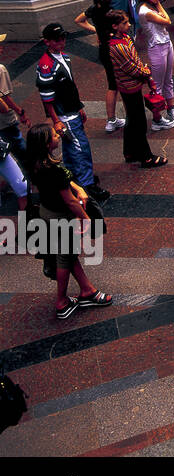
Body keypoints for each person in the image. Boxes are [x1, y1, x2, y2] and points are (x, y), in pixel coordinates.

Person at [26, 123, 111, 319]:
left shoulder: (36, 163)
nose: (58, 135)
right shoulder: (54, 171)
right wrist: (86, 219)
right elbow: (71, 202)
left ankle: (87, 290)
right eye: (55, 135)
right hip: (61, 218)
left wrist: (76, 186)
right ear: (48, 144)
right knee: (64, 258)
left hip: (47, 212)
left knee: (68, 256)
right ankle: (61, 302)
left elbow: (64, 182)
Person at [35, 24, 96, 193]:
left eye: (63, 38)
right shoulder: (46, 66)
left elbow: (70, 86)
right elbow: (47, 97)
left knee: (71, 148)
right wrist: (56, 120)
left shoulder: (64, 57)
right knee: (80, 148)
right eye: (57, 40)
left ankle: (75, 178)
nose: (62, 42)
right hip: (65, 116)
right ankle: (87, 185)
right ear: (47, 42)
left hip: (72, 111)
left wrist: (79, 107)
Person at [105, 10, 167, 167]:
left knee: (132, 119)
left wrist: (145, 74)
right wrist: (147, 73)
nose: (129, 25)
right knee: (138, 122)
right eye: (124, 23)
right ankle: (146, 157)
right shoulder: (117, 46)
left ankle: (130, 151)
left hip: (134, 85)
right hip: (129, 87)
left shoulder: (125, 38)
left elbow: (136, 60)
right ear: (115, 26)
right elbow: (131, 68)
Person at [75, 0, 124, 134]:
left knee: (112, 85)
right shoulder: (111, 13)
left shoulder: (93, 9)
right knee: (123, 82)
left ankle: (111, 120)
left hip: (103, 49)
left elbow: (79, 20)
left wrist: (96, 29)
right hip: (114, 49)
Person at [137, 0, 174, 127]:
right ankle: (157, 119)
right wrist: (158, 5)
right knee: (157, 85)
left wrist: (157, 3)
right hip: (156, 47)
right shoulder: (145, 11)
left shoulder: (151, 6)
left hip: (167, 44)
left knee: (168, 79)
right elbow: (167, 20)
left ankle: (171, 108)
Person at [0, 33, 30, 167]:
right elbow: (5, 97)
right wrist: (20, 112)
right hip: (4, 121)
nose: (1, 48)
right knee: (19, 146)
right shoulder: (0, 70)